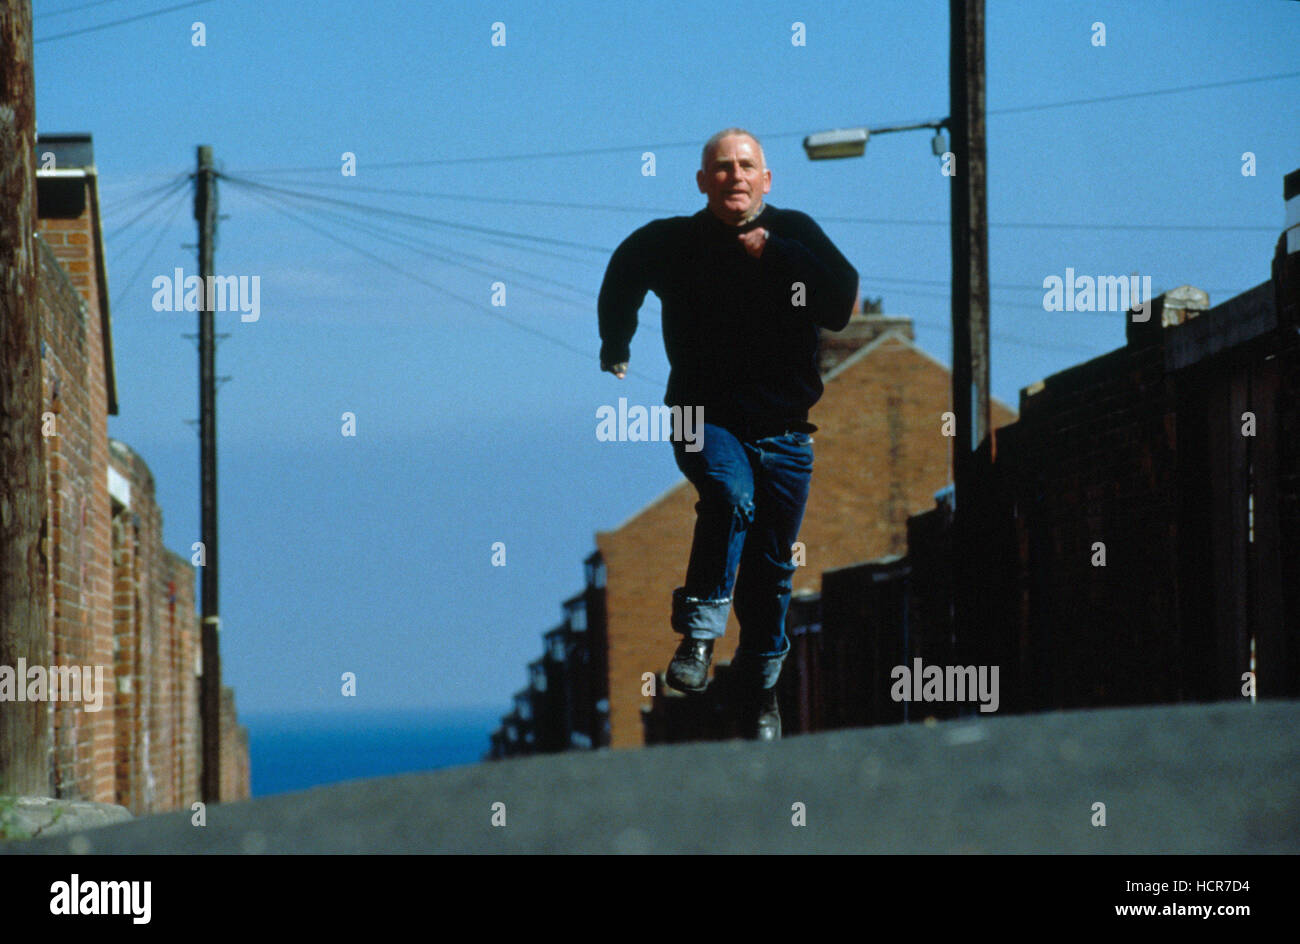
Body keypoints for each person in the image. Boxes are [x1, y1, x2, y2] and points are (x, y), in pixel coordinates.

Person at [597, 128, 858, 740]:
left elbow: (840, 302)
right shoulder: (675, 242)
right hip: (700, 415)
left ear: (766, 180)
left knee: (771, 569)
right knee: (728, 494)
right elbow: (625, 269)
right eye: (721, 167)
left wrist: (778, 255)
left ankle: (760, 688)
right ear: (702, 181)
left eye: (746, 166)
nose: (734, 176)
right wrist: (617, 340)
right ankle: (699, 637)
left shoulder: (795, 233)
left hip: (787, 431)